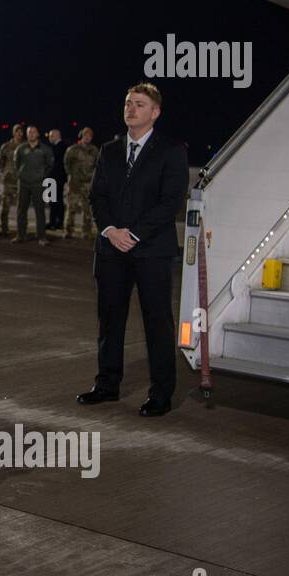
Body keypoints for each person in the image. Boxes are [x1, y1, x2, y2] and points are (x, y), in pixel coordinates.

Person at [79, 83, 189, 417]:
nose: (131, 109)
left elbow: (171, 201)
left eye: (139, 104)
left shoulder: (171, 150)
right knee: (110, 320)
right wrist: (111, 231)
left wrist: (135, 234)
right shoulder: (110, 150)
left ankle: (161, 393)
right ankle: (107, 384)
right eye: (128, 103)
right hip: (112, 250)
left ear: (155, 112)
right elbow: (98, 196)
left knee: (157, 322)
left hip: (152, 251)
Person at [12, 125, 53, 245]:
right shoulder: (21, 148)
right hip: (23, 183)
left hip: (38, 184)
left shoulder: (45, 149)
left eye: (34, 132)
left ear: (38, 134)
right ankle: (20, 235)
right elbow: (16, 164)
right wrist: (21, 175)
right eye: (29, 132)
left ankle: (41, 236)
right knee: (21, 210)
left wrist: (41, 175)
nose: (31, 134)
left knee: (40, 210)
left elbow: (49, 165)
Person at [64, 126, 98, 238]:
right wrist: (72, 175)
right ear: (81, 136)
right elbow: (66, 164)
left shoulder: (94, 150)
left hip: (88, 184)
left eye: (90, 135)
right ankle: (68, 230)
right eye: (85, 135)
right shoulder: (73, 150)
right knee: (71, 208)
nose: (87, 137)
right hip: (74, 183)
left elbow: (97, 166)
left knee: (87, 209)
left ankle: (86, 231)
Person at [0, 123, 24, 238]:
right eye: (17, 131)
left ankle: (21, 230)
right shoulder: (6, 146)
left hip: (21, 181)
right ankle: (3, 228)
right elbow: (1, 161)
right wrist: (5, 172)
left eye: (21, 132)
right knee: (5, 207)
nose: (19, 133)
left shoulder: (25, 147)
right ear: (13, 133)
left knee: (21, 208)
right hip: (9, 181)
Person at [46, 128, 69, 233]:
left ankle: (56, 222)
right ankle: (54, 221)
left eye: (51, 136)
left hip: (56, 178)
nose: (49, 138)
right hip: (53, 178)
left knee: (56, 200)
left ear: (57, 136)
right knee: (53, 200)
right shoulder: (56, 147)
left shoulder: (61, 147)